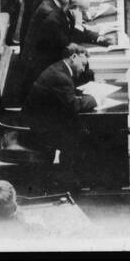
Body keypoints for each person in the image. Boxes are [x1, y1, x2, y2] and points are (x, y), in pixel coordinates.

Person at [22, 48, 98, 184]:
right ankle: (69, 181)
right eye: (83, 64)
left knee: (79, 130)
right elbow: (73, 105)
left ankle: (70, 177)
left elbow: (67, 98)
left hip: (40, 119)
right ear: (74, 56)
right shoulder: (60, 76)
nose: (83, 69)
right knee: (80, 135)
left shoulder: (60, 68)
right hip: (38, 128)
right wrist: (93, 98)